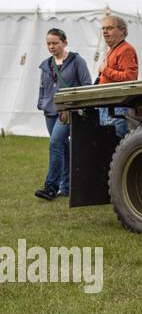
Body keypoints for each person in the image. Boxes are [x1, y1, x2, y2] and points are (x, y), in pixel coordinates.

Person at [34, 28, 93, 201]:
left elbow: (87, 85)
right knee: (63, 149)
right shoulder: (46, 64)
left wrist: (75, 105)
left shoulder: (77, 61)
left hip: (67, 111)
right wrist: (41, 103)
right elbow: (43, 86)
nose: (51, 46)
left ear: (65, 42)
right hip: (49, 111)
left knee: (55, 143)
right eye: (48, 43)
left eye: (55, 43)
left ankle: (50, 187)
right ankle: (66, 187)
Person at [96, 14, 138, 137]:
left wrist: (106, 70)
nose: (104, 32)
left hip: (118, 107)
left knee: (118, 143)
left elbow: (130, 77)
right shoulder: (113, 50)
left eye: (109, 28)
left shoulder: (126, 50)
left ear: (122, 31)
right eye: (103, 28)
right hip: (109, 105)